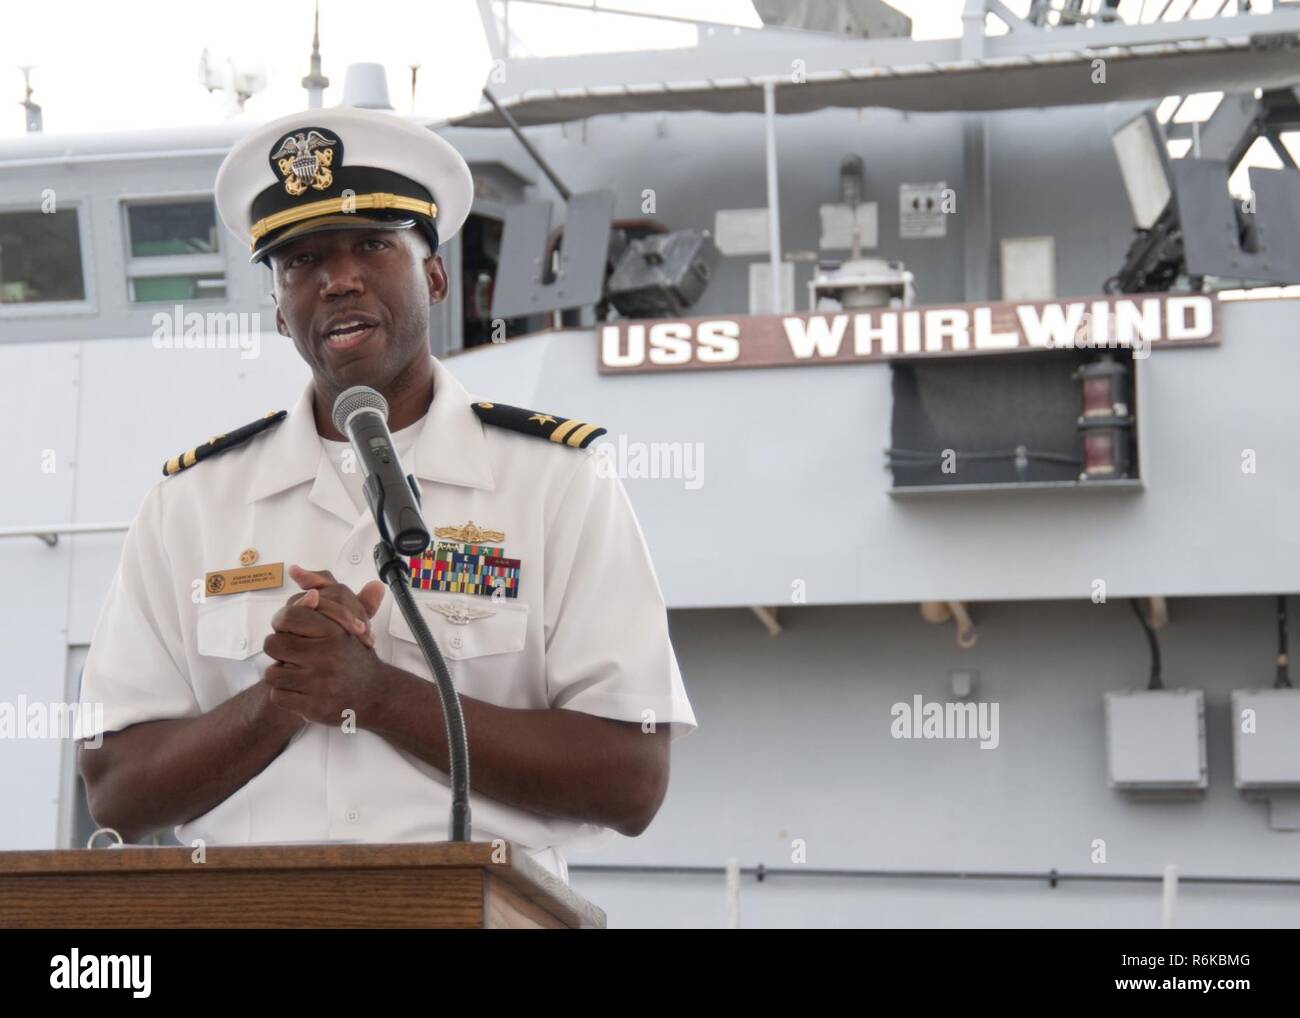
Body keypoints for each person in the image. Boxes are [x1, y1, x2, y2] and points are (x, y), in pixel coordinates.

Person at [77, 106, 697, 883]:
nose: (337, 279)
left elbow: (630, 780)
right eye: (300, 262)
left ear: (434, 273)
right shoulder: (191, 504)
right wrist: (282, 696)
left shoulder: (557, 481)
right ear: (277, 306)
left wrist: (378, 695)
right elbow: (117, 790)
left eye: (372, 244)